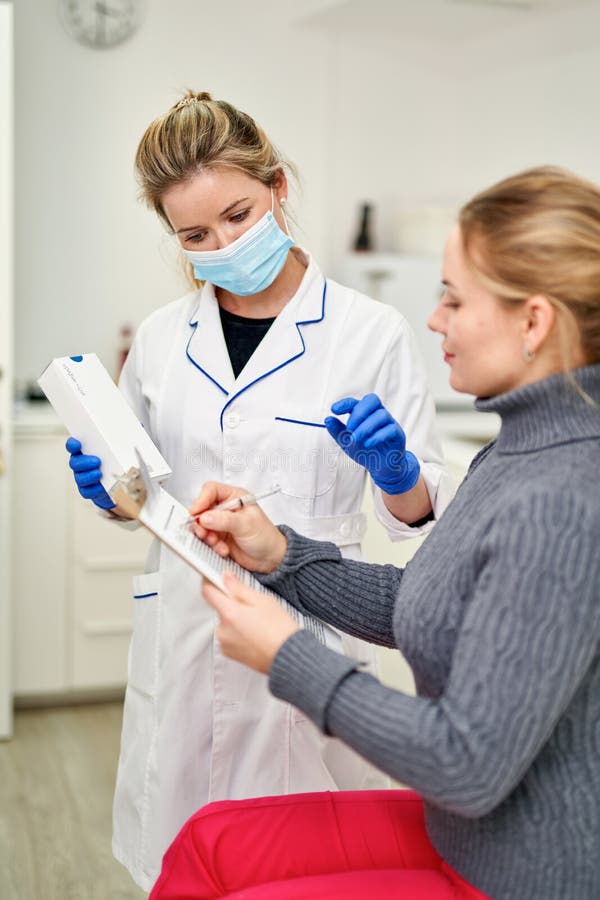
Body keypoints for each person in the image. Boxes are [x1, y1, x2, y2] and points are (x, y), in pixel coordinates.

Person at [149, 166, 600, 900]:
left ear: (535, 321)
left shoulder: (561, 495)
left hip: (519, 871)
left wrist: (287, 654)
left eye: (453, 298)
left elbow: (466, 762)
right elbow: (432, 601)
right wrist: (283, 556)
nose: (433, 320)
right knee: (207, 839)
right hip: (476, 833)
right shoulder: (520, 446)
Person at [64, 91, 451, 891]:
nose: (224, 244)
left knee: (300, 867)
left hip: (307, 623)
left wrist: (397, 472)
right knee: (180, 858)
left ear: (276, 187)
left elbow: (418, 519)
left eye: (238, 215)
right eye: (196, 235)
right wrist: (106, 489)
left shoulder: (369, 331)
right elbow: (138, 489)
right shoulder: (167, 336)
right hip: (183, 623)